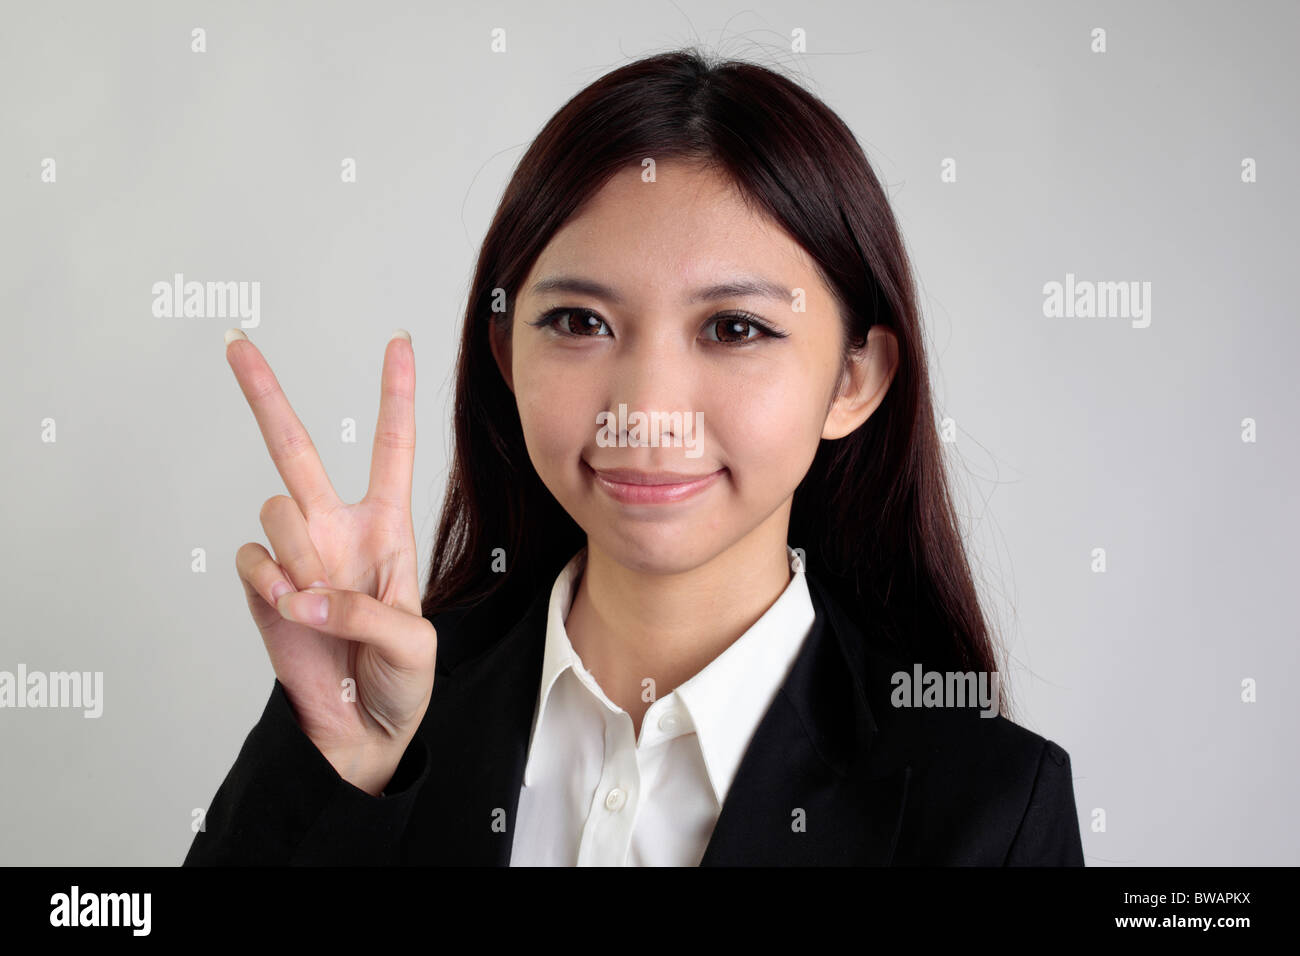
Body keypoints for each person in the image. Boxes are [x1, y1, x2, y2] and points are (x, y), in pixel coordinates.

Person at [184, 48, 1085, 866]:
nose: (646, 414)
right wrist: (342, 762)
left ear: (854, 379)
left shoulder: (986, 812)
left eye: (735, 329)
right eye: (580, 323)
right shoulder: (385, 725)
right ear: (506, 354)